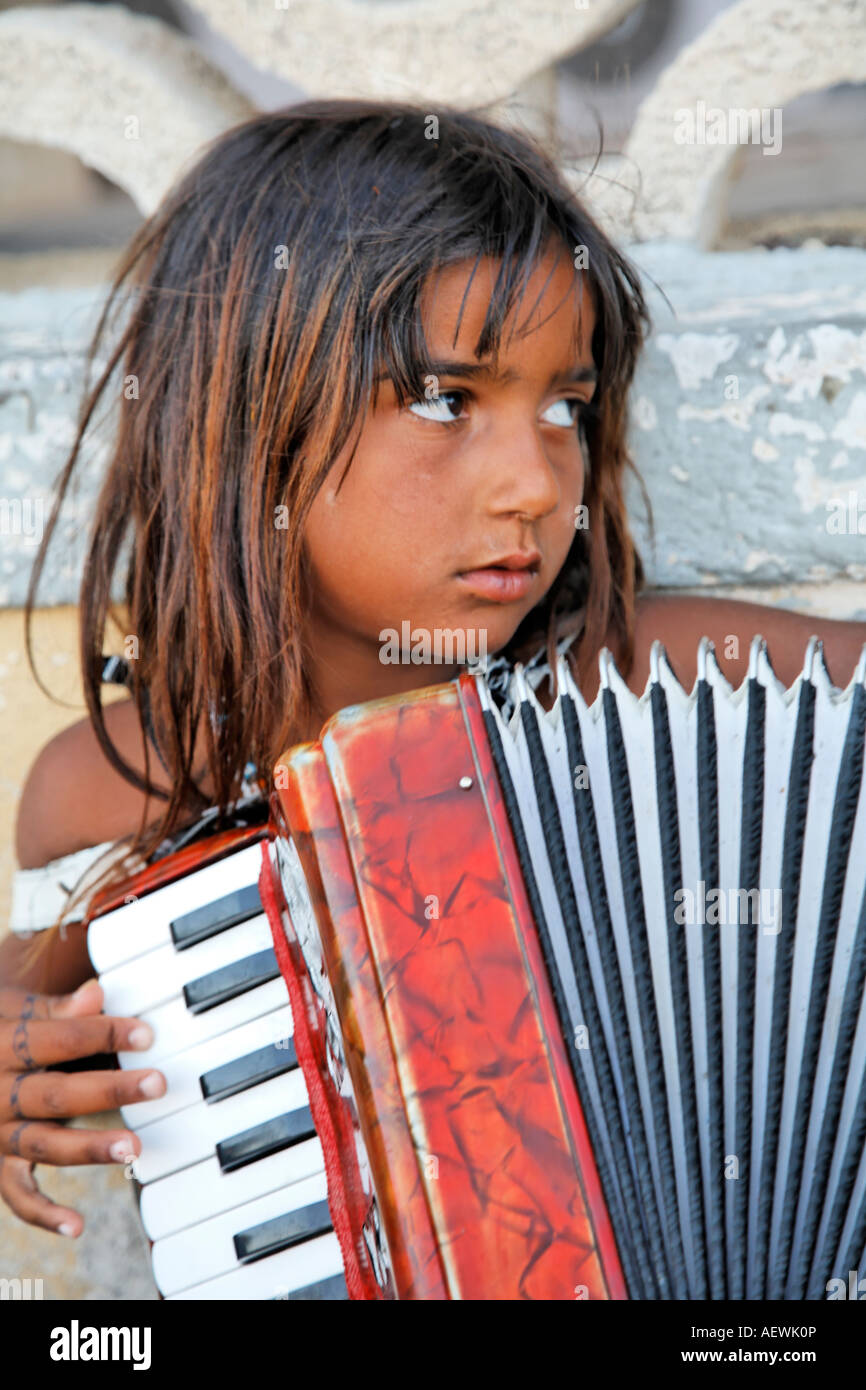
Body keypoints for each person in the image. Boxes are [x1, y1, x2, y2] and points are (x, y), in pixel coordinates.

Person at [1, 99, 864, 1243]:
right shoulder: (128, 789)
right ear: (249, 420)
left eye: (564, 406)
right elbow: (34, 1006)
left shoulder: (674, 681)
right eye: (445, 399)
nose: (532, 485)